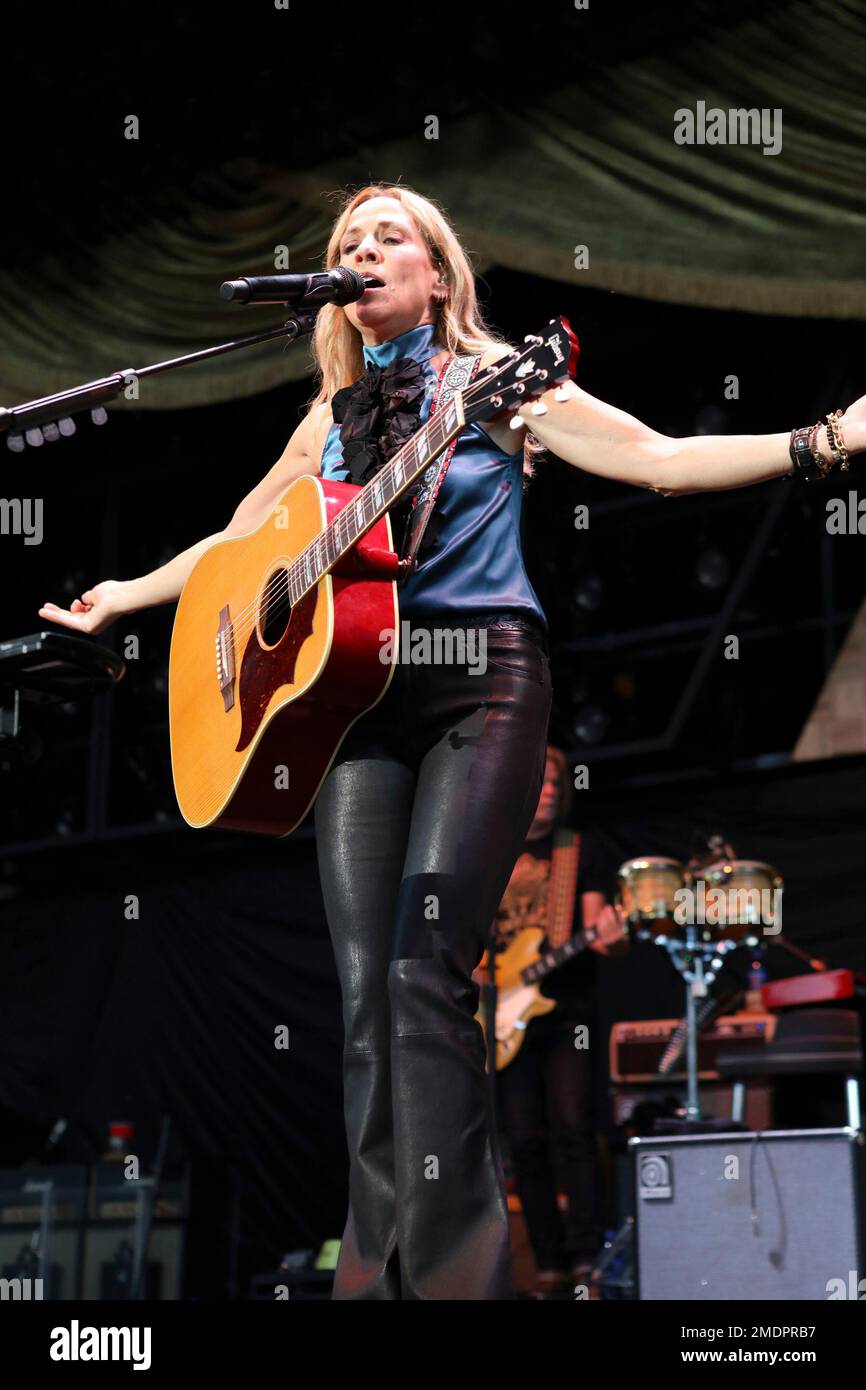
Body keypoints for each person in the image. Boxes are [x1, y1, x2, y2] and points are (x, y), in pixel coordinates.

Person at [38, 182, 866, 1300]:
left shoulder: (494, 382)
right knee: (366, 993)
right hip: (353, 707)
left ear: (437, 276)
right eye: (345, 240)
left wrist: (823, 441)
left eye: (390, 236)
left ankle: (455, 1282)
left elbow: (660, 458)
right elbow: (240, 548)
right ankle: (369, 1276)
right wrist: (126, 595)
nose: (362, 249)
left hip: (480, 683)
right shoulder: (325, 422)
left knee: (426, 971)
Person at [482, 744, 627, 1298]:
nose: (546, 790)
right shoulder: (492, 853)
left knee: (573, 1129)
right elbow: (470, 936)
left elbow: (598, 932)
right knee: (523, 1140)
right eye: (536, 781)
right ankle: (548, 1264)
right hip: (502, 1015)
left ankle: (588, 1257)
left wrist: (613, 935)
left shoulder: (578, 851)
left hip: (567, 1014)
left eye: (553, 783)